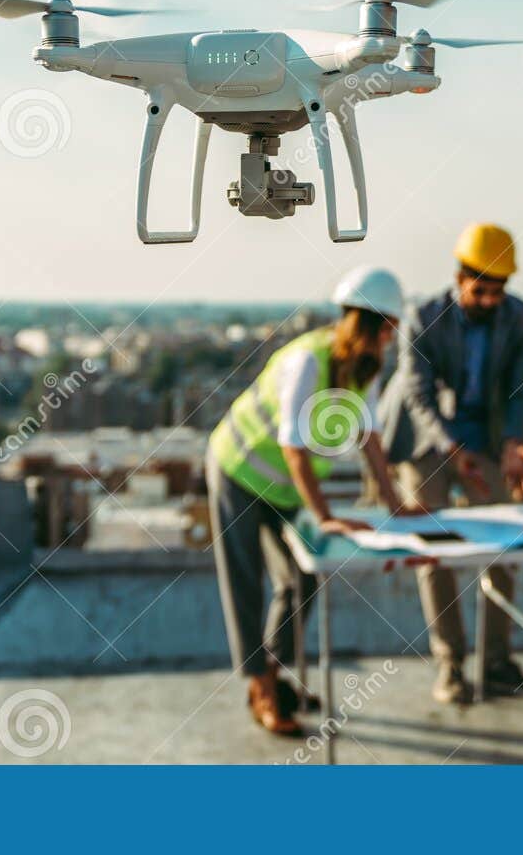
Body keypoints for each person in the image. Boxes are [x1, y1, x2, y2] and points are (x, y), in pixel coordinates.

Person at [207, 265, 418, 737]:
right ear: (368, 324)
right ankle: (261, 688)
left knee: (301, 579)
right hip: (238, 471)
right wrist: (325, 517)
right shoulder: (309, 361)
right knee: (244, 582)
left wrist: (395, 503)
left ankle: (274, 673)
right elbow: (293, 447)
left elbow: (370, 438)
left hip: (283, 489)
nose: (389, 339)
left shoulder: (364, 371)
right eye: (387, 329)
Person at [378, 223, 523, 705]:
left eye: (499, 290)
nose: (491, 299)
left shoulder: (520, 319)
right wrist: (452, 450)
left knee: (502, 546)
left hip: (484, 439)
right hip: (426, 443)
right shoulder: (422, 316)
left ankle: (496, 661)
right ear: (460, 277)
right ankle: (450, 664)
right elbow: (418, 395)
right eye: (482, 289)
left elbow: (519, 388)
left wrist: (513, 443)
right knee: (435, 555)